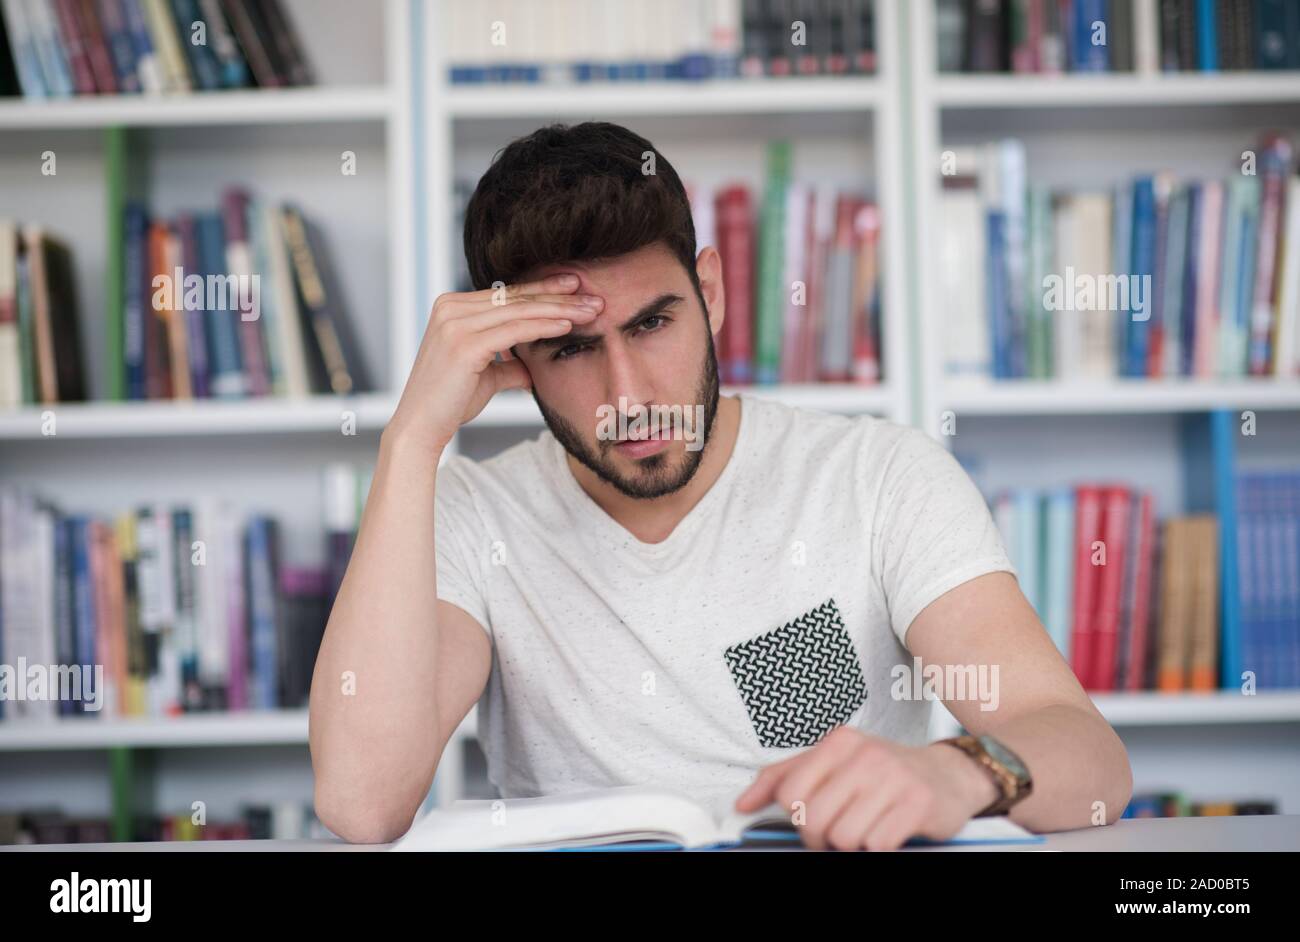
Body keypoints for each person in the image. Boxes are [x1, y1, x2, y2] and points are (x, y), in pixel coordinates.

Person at [309, 122, 1132, 850]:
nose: (628, 398)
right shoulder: (470, 517)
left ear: (711, 290)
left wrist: (959, 776)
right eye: (571, 349)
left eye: (653, 323)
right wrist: (411, 441)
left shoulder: (882, 479)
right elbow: (362, 804)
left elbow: (1089, 760)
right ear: (513, 359)